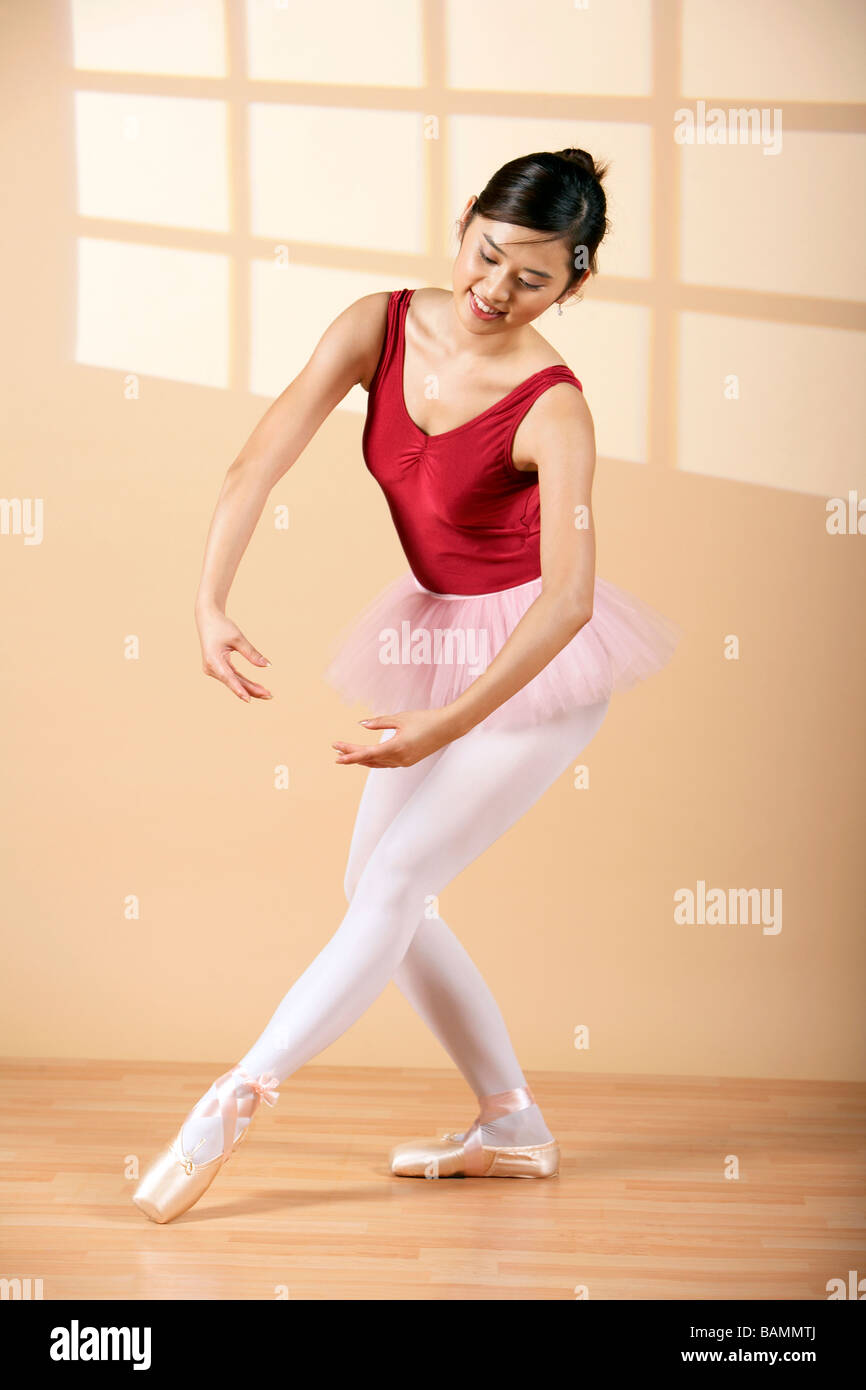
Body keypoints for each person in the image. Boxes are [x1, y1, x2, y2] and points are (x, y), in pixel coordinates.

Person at [132, 148, 681, 1223]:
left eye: (533, 278)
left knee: (392, 884)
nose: (495, 289)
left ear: (574, 282)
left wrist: (445, 725)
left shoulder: (553, 407)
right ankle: (511, 1123)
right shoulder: (374, 327)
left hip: (536, 663)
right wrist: (208, 601)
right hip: (434, 631)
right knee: (379, 890)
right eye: (488, 254)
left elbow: (568, 600)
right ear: (464, 222)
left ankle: (230, 1103)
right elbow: (256, 462)